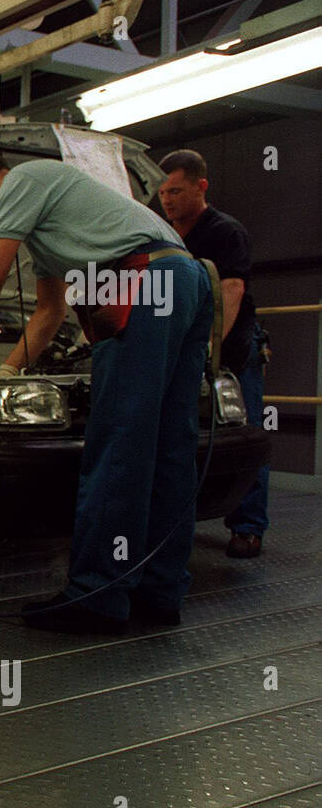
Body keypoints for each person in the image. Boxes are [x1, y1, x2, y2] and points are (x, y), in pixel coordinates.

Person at [0, 146, 213, 630]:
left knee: (117, 444)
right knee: (170, 446)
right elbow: (50, 311)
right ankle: (159, 592)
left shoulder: (23, 181)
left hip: (138, 281)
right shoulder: (53, 214)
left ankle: (98, 596)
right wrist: (6, 372)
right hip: (185, 277)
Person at [158, 149, 268, 559]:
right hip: (187, 351)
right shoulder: (168, 236)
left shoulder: (224, 232)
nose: (167, 200)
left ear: (201, 187)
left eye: (177, 191)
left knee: (243, 432)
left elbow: (231, 291)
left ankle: (248, 528)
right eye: (163, 191)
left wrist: (209, 351)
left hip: (234, 349)